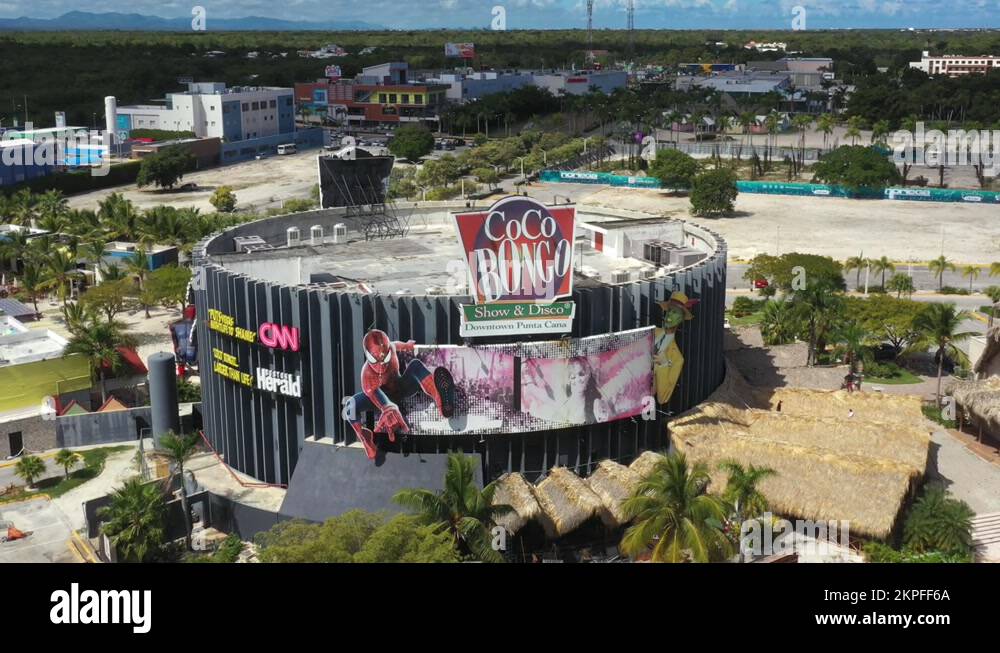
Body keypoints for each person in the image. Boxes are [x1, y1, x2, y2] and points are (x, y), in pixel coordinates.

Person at [343, 329, 455, 460]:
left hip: (401, 389)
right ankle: (364, 436)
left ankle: (439, 398)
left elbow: (395, 344)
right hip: (379, 401)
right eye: (374, 359)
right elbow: (378, 398)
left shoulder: (391, 348)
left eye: (386, 357)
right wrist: (388, 408)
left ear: (389, 351)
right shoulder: (367, 377)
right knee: (350, 405)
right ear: (367, 355)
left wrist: (407, 345)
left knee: (416, 365)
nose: (381, 365)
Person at [654, 292, 699, 405]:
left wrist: (664, 365)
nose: (669, 315)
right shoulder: (651, 332)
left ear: (681, 319)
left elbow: (663, 398)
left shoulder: (677, 359)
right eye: (669, 311)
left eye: (675, 313)